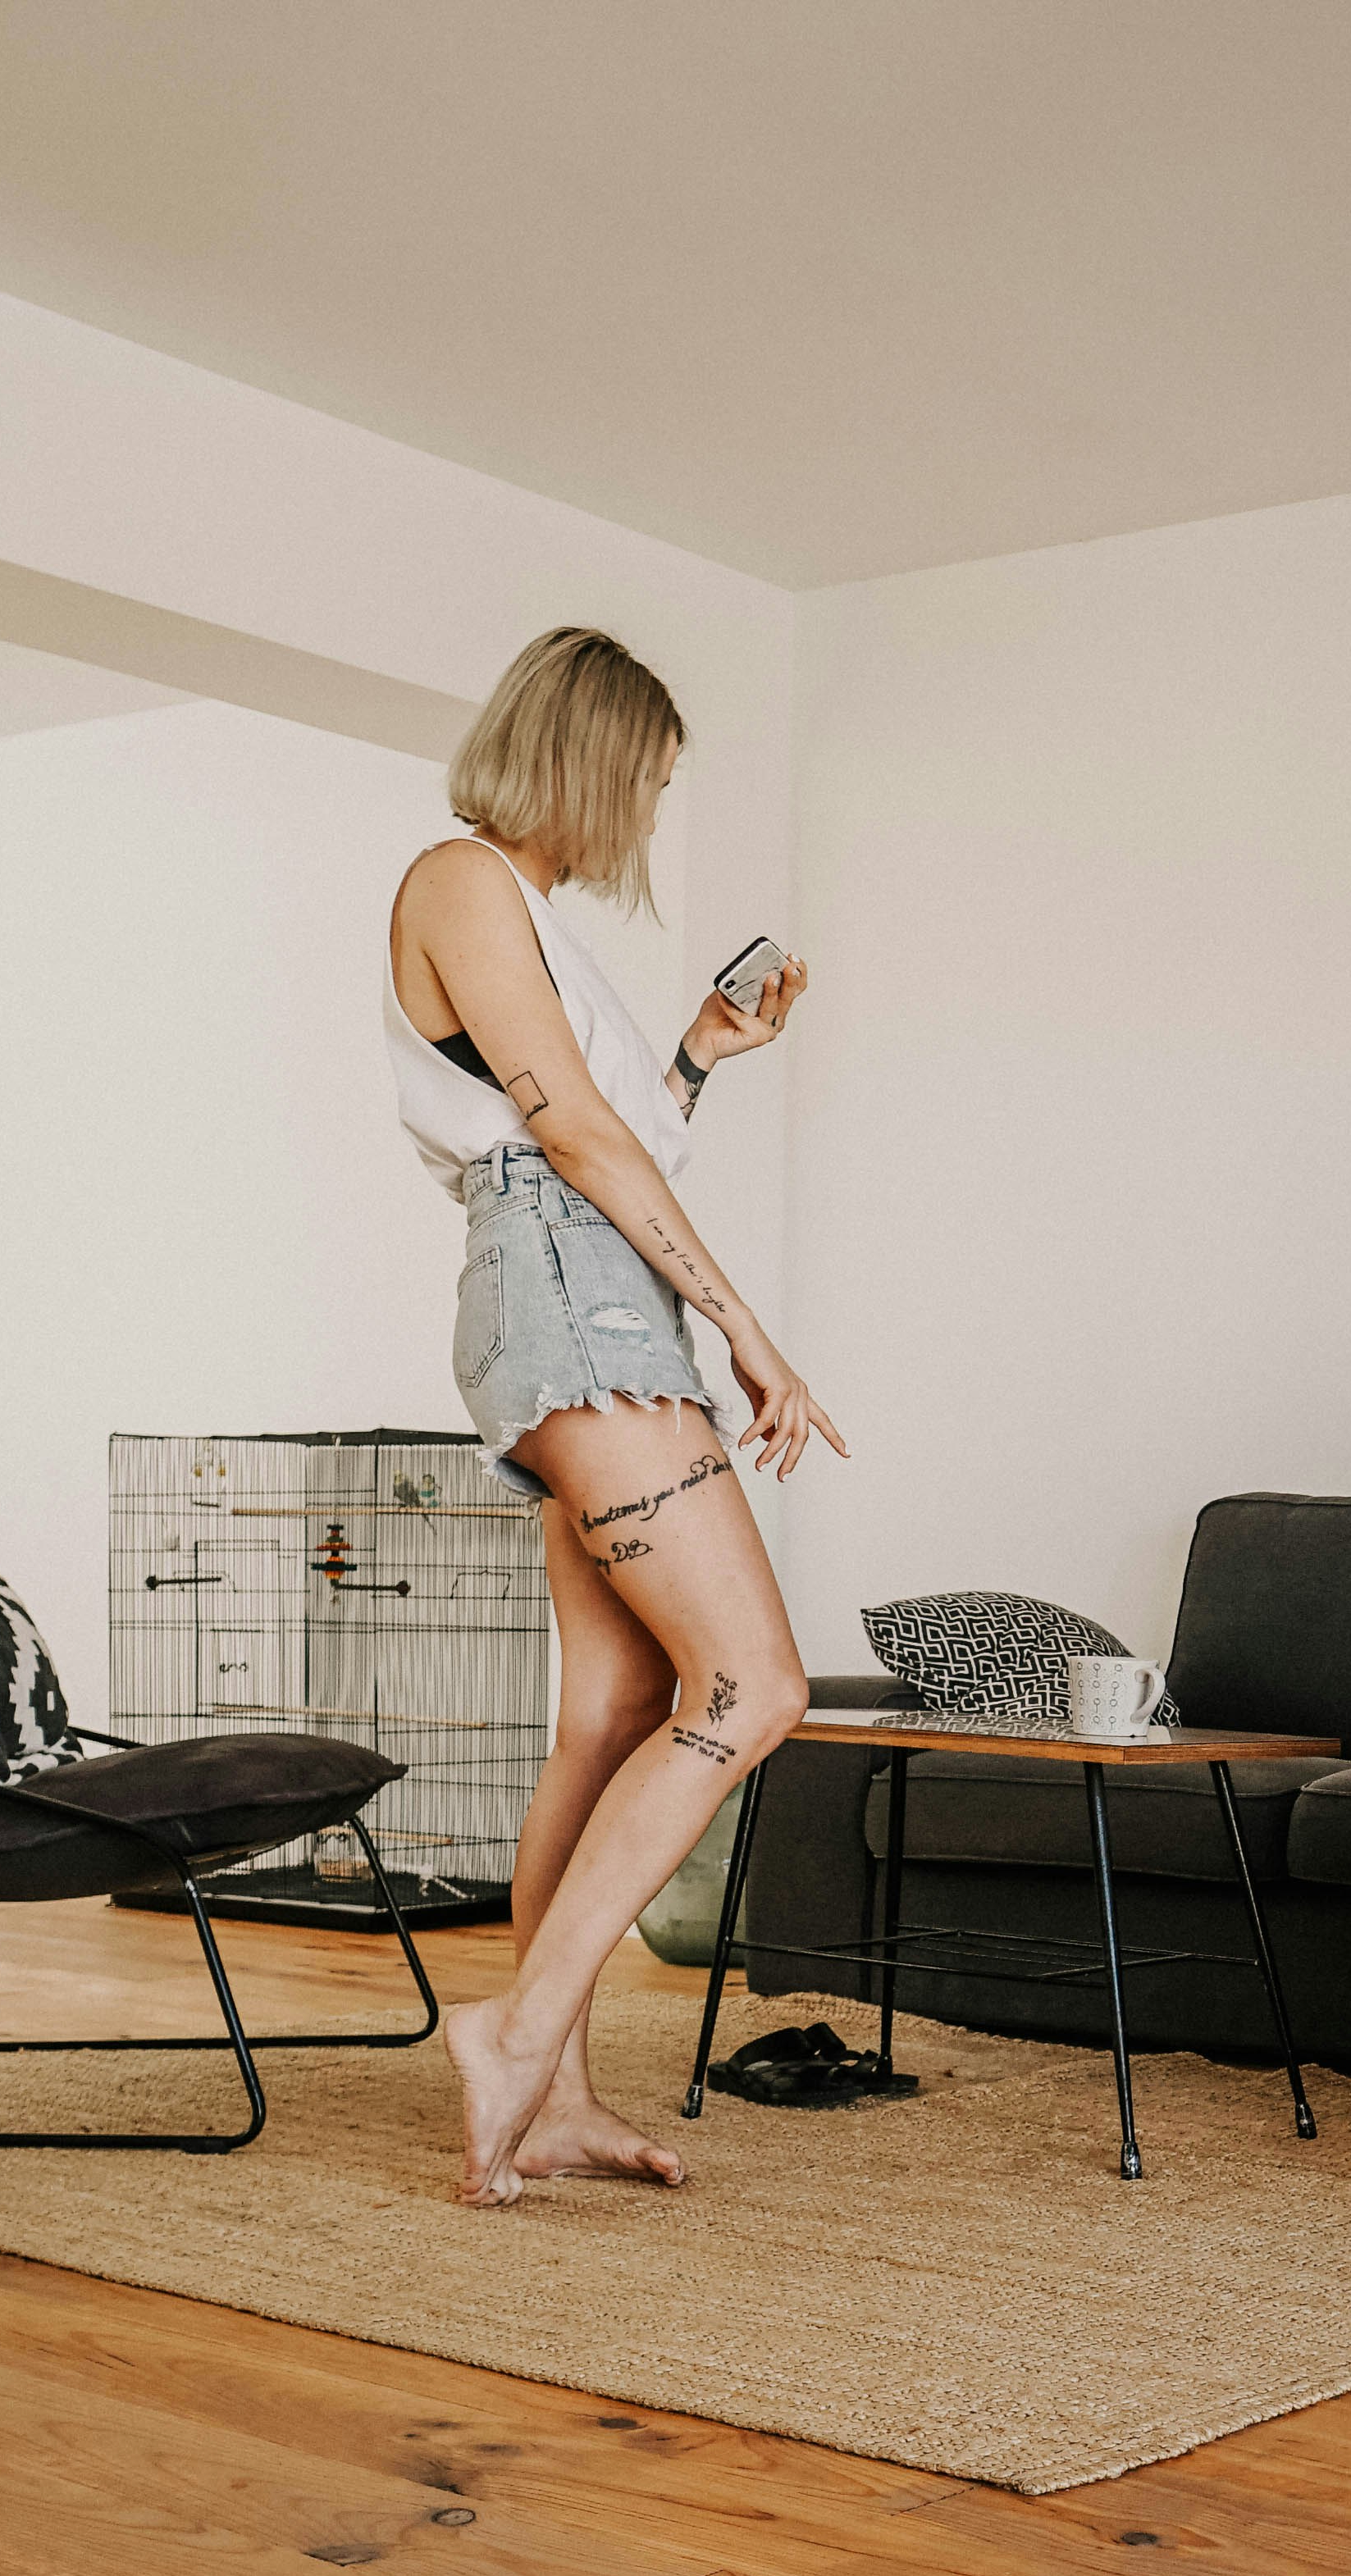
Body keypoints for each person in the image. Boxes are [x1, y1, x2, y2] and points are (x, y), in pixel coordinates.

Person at [390, 626, 838, 2204]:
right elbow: (567, 1136)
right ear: (581, 757)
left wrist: (700, 1060)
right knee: (755, 1682)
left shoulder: (538, 923)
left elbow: (620, 1126)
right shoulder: (458, 880)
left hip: (585, 1288)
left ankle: (557, 2087)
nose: (648, 811)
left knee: (612, 1707)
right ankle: (514, 2031)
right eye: (644, 778)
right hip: (572, 1292)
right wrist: (748, 1329)